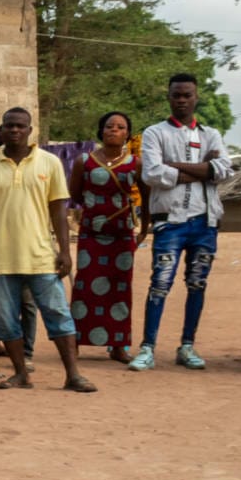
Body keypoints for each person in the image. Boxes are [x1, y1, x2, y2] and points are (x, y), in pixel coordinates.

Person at [0, 107, 96, 392]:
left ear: (30, 130)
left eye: (20, 126)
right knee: (4, 321)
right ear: (2, 130)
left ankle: (73, 375)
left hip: (41, 256)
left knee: (58, 315)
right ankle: (20, 374)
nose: (14, 130)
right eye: (9, 126)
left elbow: (58, 210)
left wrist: (64, 252)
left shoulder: (50, 163)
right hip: (0, 259)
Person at [131, 73, 230, 371]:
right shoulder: (154, 133)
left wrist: (173, 165)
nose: (183, 100)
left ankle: (187, 345)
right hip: (169, 222)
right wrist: (204, 168)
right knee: (160, 283)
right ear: (169, 97)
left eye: (188, 95)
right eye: (177, 95)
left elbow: (224, 170)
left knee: (197, 283)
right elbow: (151, 174)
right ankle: (147, 347)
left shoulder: (211, 133)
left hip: (205, 221)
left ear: (196, 97)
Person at [69, 111, 145, 363]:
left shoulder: (136, 163)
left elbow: (144, 195)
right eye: (109, 126)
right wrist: (97, 211)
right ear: (101, 131)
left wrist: (143, 229)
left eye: (120, 127)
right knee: (85, 286)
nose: (114, 130)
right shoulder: (84, 161)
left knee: (120, 286)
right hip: (91, 233)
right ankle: (77, 340)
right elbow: (76, 195)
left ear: (127, 134)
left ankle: (119, 344)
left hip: (122, 234)